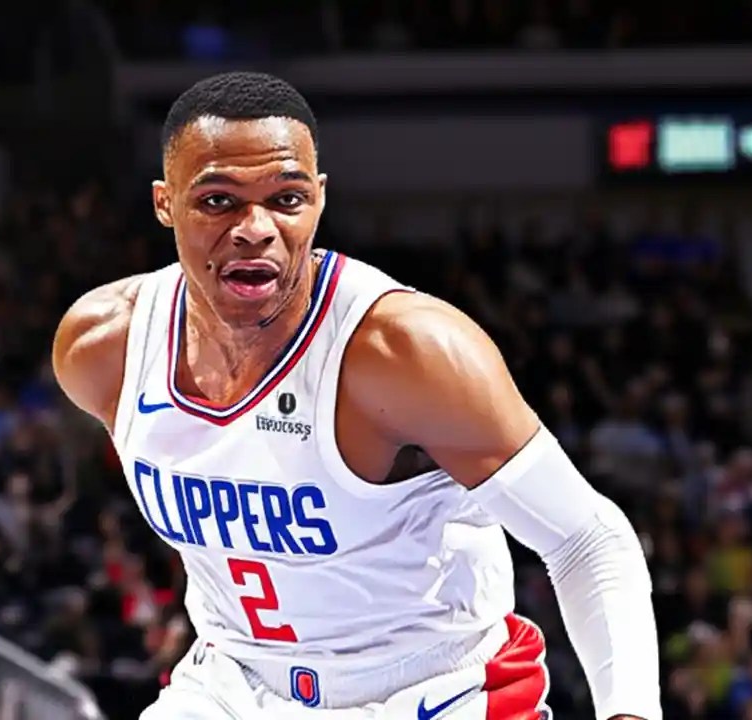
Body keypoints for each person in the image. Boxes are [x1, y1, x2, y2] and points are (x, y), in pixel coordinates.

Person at [53, 71, 661, 719]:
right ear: (164, 203)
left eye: (285, 199)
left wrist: (629, 713)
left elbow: (585, 540)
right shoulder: (104, 349)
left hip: (430, 690)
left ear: (318, 199)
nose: (255, 228)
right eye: (219, 201)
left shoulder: (406, 352)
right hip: (235, 683)